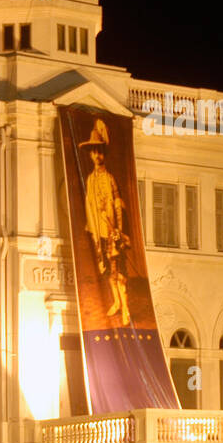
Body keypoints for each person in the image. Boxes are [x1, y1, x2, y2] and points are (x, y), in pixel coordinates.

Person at [78, 118, 132, 326]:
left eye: (100, 151)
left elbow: (118, 203)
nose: (97, 155)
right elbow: (90, 206)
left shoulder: (109, 178)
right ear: (91, 155)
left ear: (104, 153)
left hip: (112, 233)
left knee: (120, 272)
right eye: (94, 152)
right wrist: (92, 227)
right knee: (109, 272)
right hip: (100, 232)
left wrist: (119, 229)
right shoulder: (90, 179)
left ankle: (126, 308)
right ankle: (117, 302)